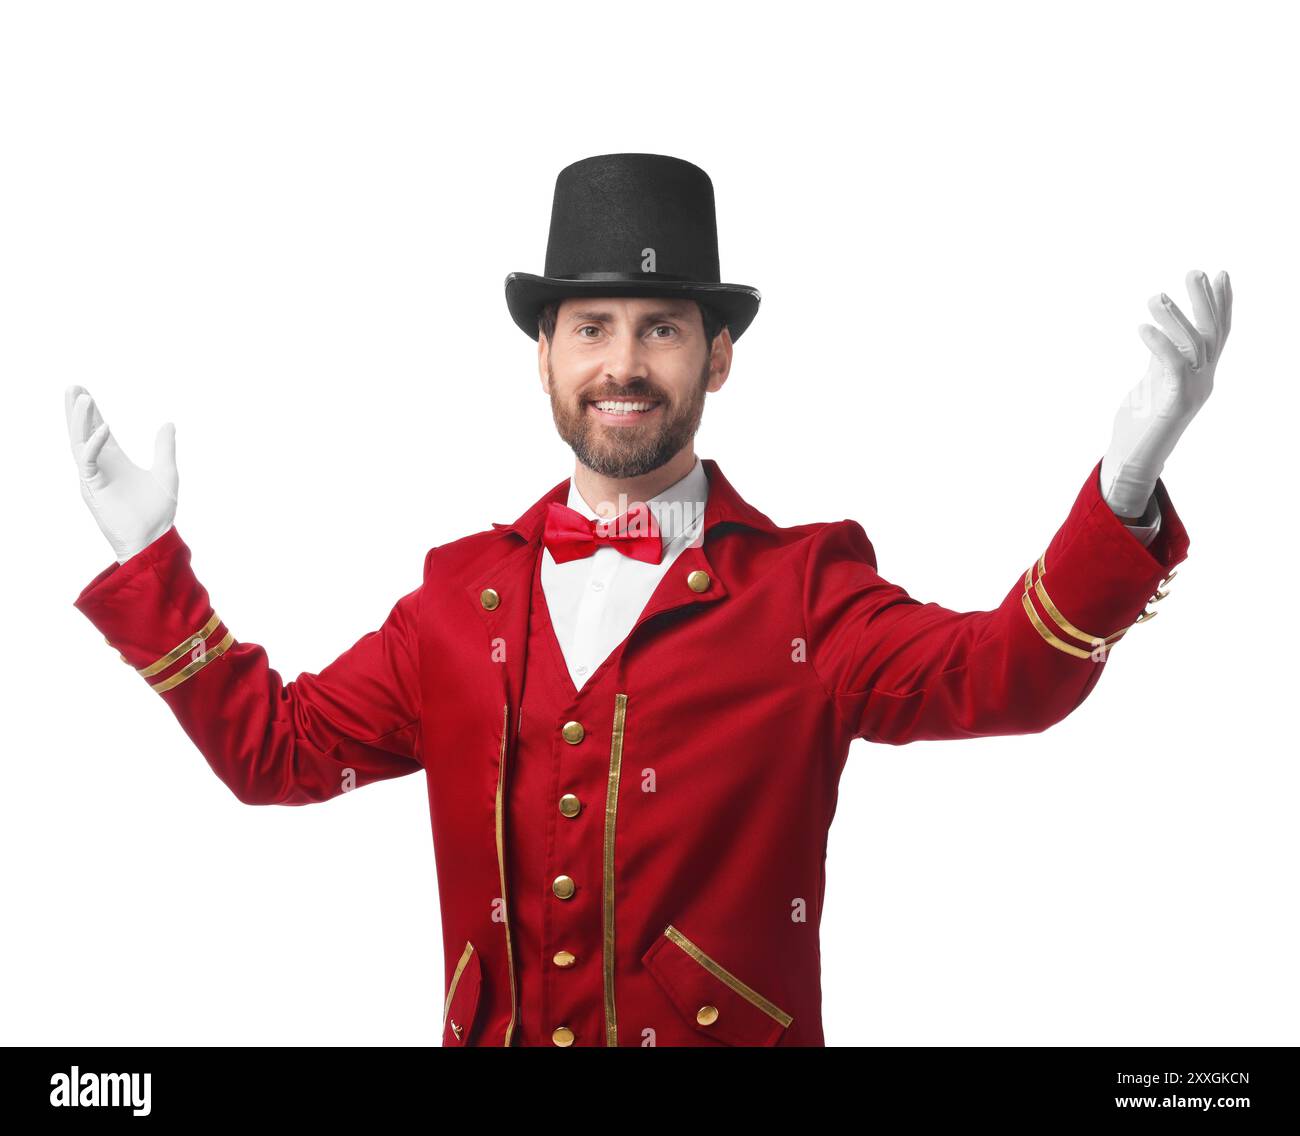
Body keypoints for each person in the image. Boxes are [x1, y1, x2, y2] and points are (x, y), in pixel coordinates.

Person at [65, 153, 1232, 1046]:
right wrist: (154, 562)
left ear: (716, 358)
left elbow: (1006, 676)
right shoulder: (455, 597)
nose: (622, 364)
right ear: (544, 356)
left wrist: (1122, 485)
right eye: (591, 329)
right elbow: (282, 752)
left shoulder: (806, 589)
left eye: (661, 329)